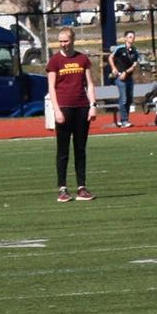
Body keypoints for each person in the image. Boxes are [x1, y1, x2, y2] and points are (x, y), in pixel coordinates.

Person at [45, 27, 95, 203]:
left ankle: (81, 187)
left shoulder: (82, 59)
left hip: (81, 107)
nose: (63, 44)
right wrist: (56, 110)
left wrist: (93, 105)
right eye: (60, 41)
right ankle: (63, 188)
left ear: (72, 40)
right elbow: (51, 87)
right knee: (63, 150)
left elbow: (89, 84)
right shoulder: (55, 61)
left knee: (80, 149)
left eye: (65, 41)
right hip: (64, 108)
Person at [107, 41, 141, 128]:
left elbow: (134, 65)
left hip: (128, 77)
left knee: (129, 99)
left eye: (133, 37)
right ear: (126, 38)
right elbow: (110, 57)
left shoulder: (134, 51)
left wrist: (125, 73)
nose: (132, 39)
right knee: (124, 99)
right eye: (130, 37)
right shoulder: (120, 48)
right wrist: (114, 68)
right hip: (119, 78)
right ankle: (123, 120)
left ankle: (125, 120)